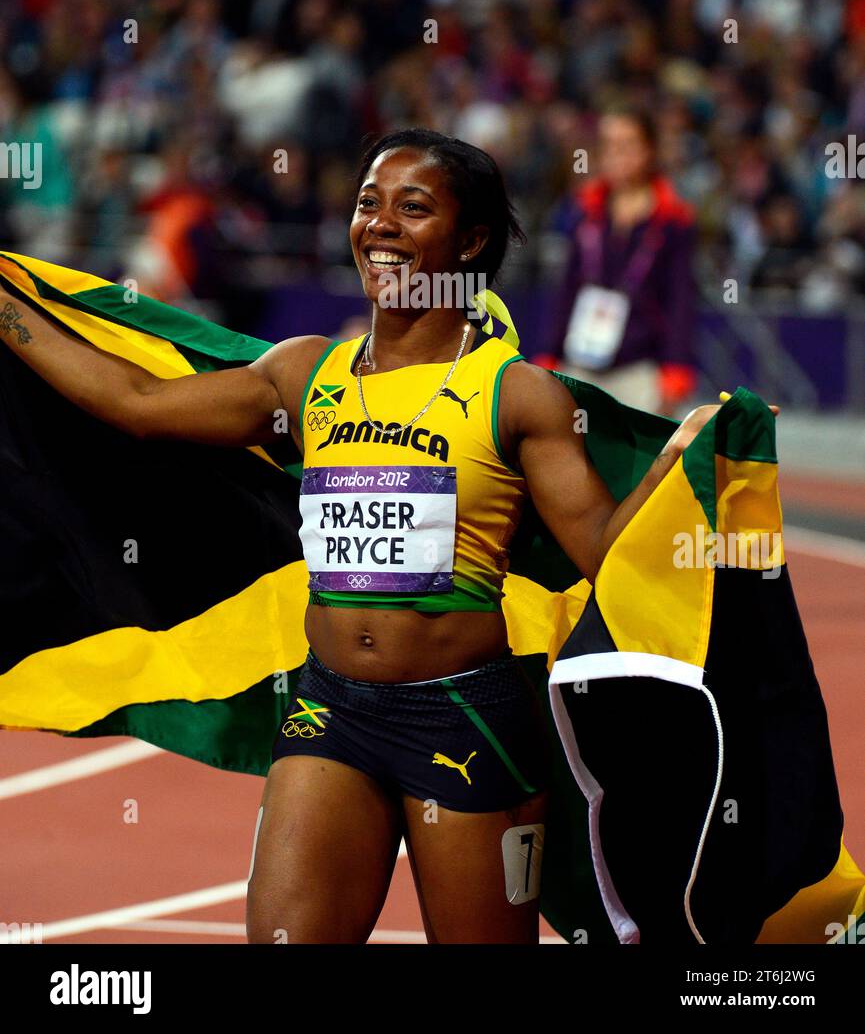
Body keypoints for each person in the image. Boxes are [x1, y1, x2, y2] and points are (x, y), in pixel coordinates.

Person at [0, 127, 745, 945]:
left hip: (463, 718)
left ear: (471, 240)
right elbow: (136, 402)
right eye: (367, 203)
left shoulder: (515, 395)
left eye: (412, 208)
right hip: (329, 709)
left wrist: (678, 460)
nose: (380, 223)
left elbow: (607, 553)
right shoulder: (305, 374)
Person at [542, 109, 697, 415]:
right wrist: (549, 354)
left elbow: (681, 300)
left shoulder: (673, 220)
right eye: (608, 145)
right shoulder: (585, 211)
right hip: (579, 365)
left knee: (644, 462)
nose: (615, 155)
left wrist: (676, 371)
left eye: (627, 145)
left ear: (649, 150)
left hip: (640, 370)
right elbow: (568, 290)